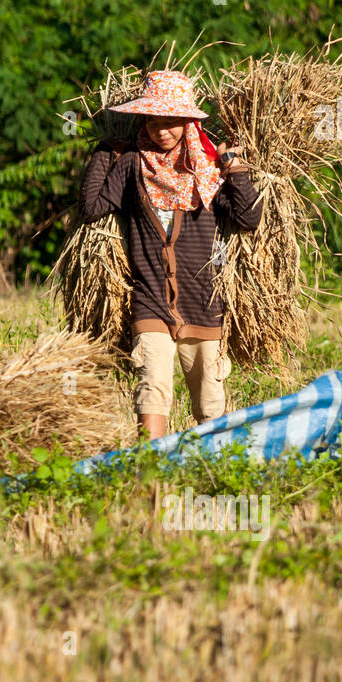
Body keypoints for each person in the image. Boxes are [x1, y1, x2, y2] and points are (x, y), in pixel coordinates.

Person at [78, 70, 262, 438]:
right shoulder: (132, 165)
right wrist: (103, 152)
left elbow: (247, 217)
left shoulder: (205, 169)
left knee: (209, 400)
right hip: (150, 301)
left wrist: (234, 166)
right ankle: (153, 471)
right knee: (152, 388)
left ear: (188, 122)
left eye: (172, 123)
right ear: (144, 122)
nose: (163, 131)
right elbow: (91, 206)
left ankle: (212, 471)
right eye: (155, 122)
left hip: (203, 303)